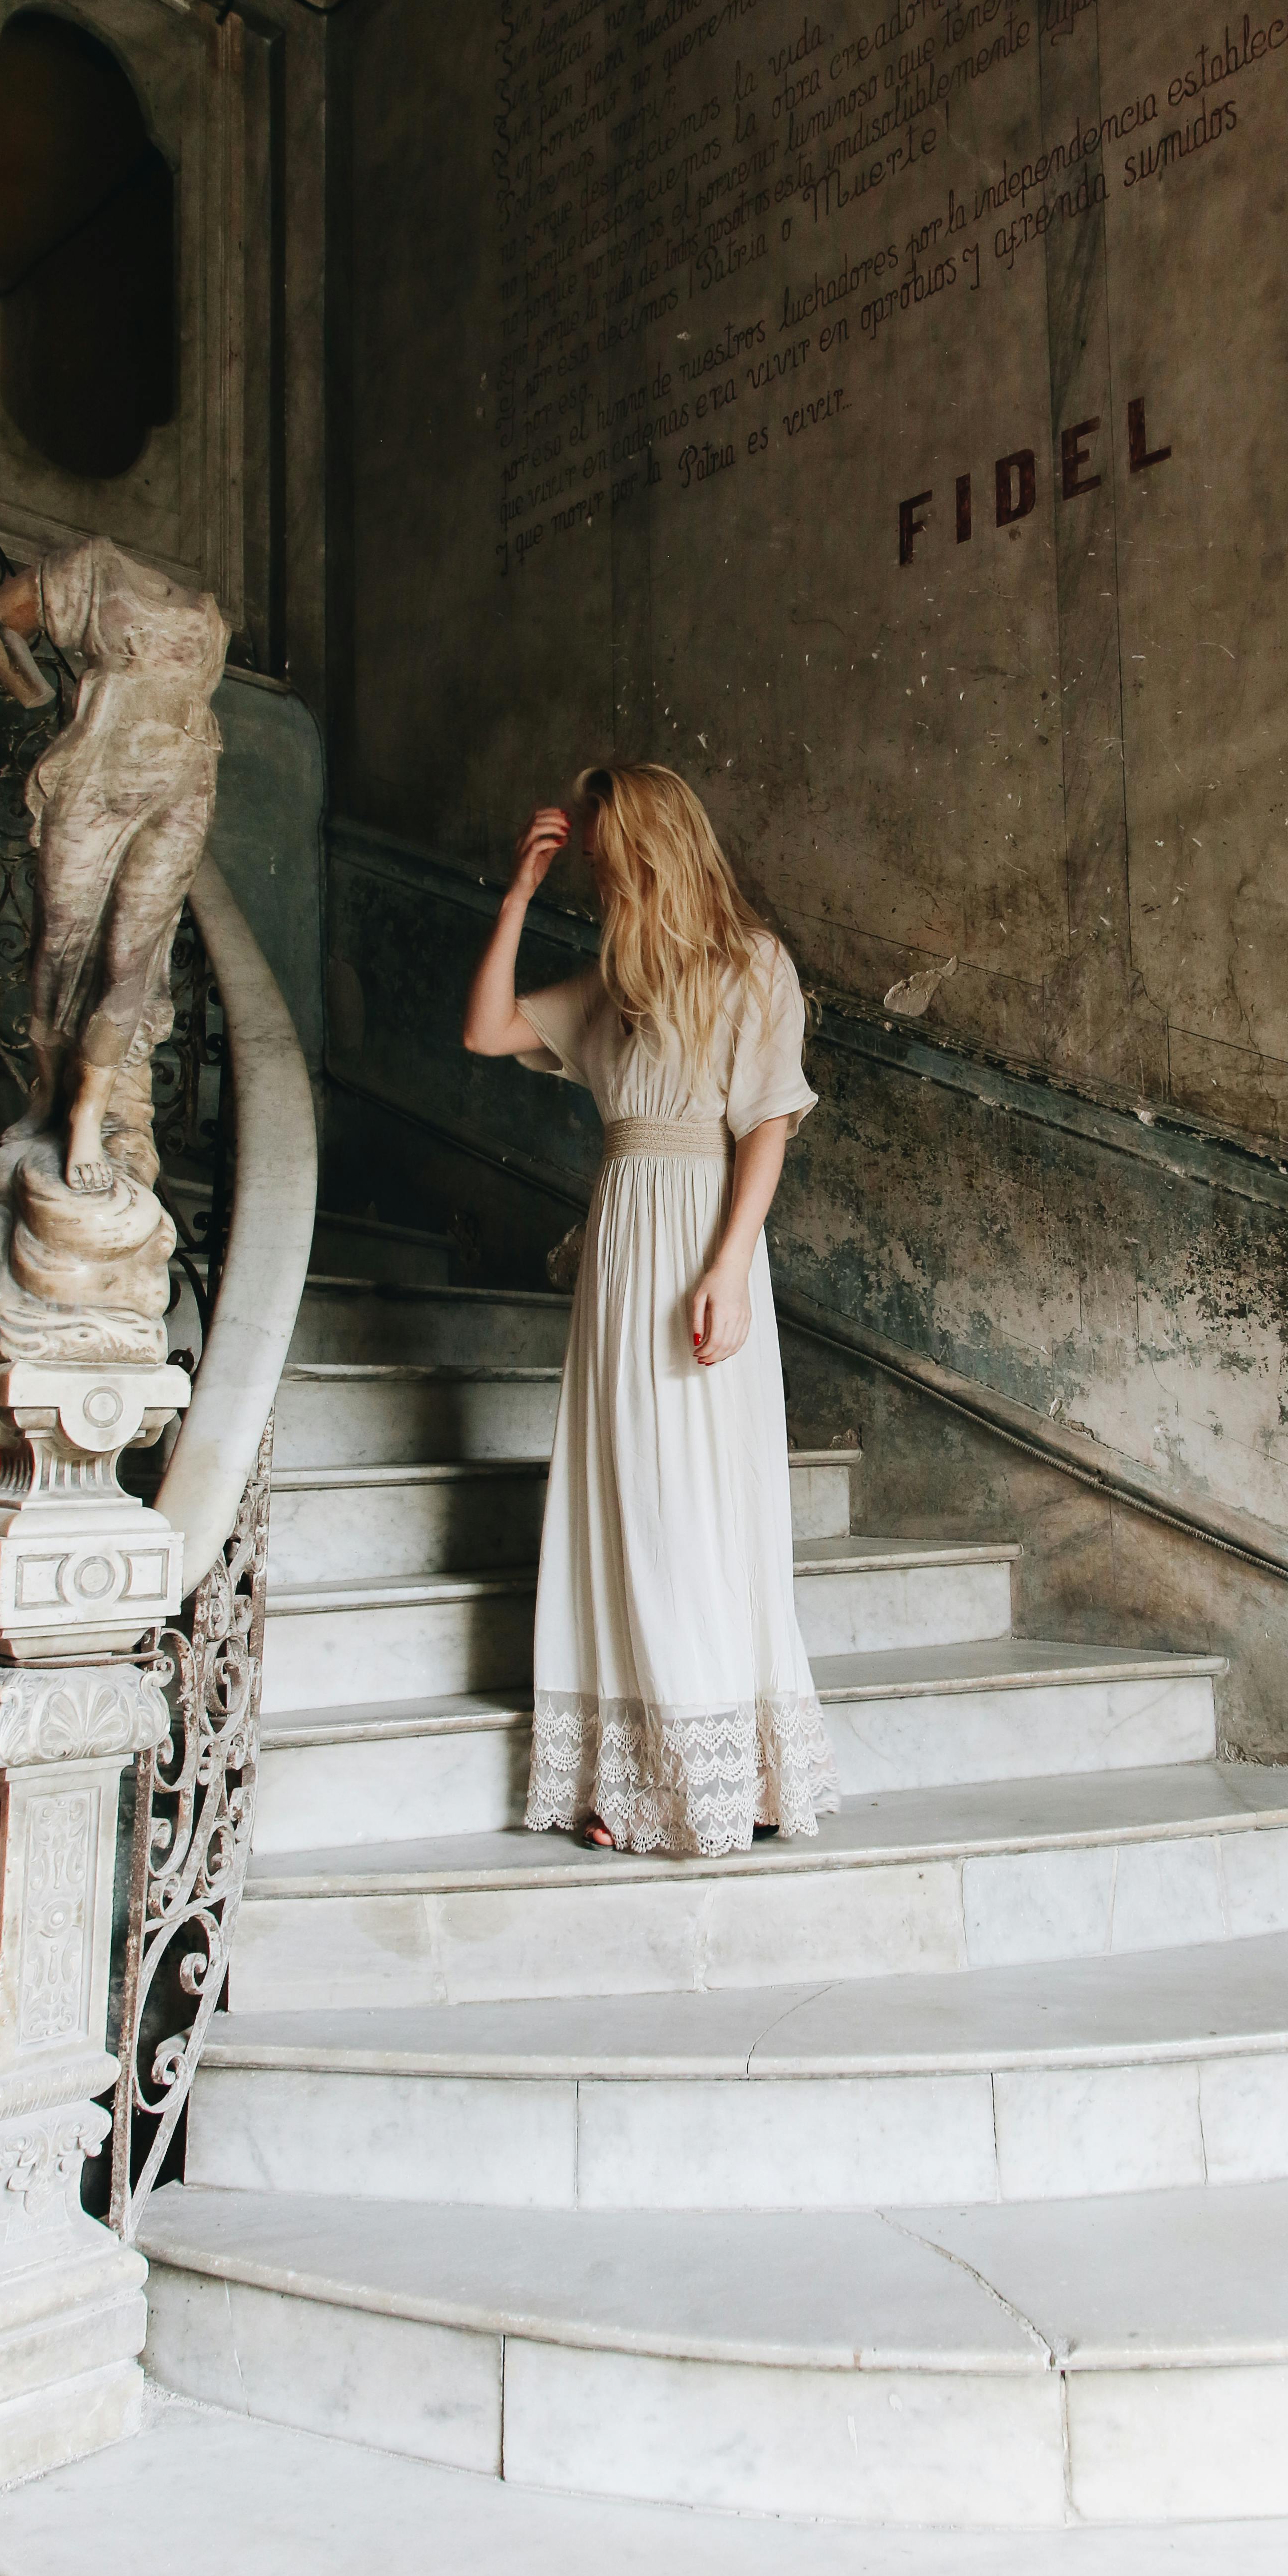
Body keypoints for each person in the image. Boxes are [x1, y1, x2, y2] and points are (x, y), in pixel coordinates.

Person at [464, 762, 838, 1856]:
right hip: (624, 1250)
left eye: (610, 860)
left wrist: (730, 1265)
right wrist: (517, 898)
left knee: (704, 1497)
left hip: (701, 1243)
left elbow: (766, 1126)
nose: (602, 882)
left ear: (654, 849)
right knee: (630, 1495)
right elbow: (486, 1031)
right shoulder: (612, 989)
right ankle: (649, 1776)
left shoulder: (752, 965)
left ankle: (724, 1775)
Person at [0, 539, 227, 1195]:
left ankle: (90, 1113)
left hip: (186, 785)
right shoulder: (90, 566)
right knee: (58, 945)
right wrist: (34, 694)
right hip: (98, 773)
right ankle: (49, 1093)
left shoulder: (210, 611)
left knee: (130, 959)